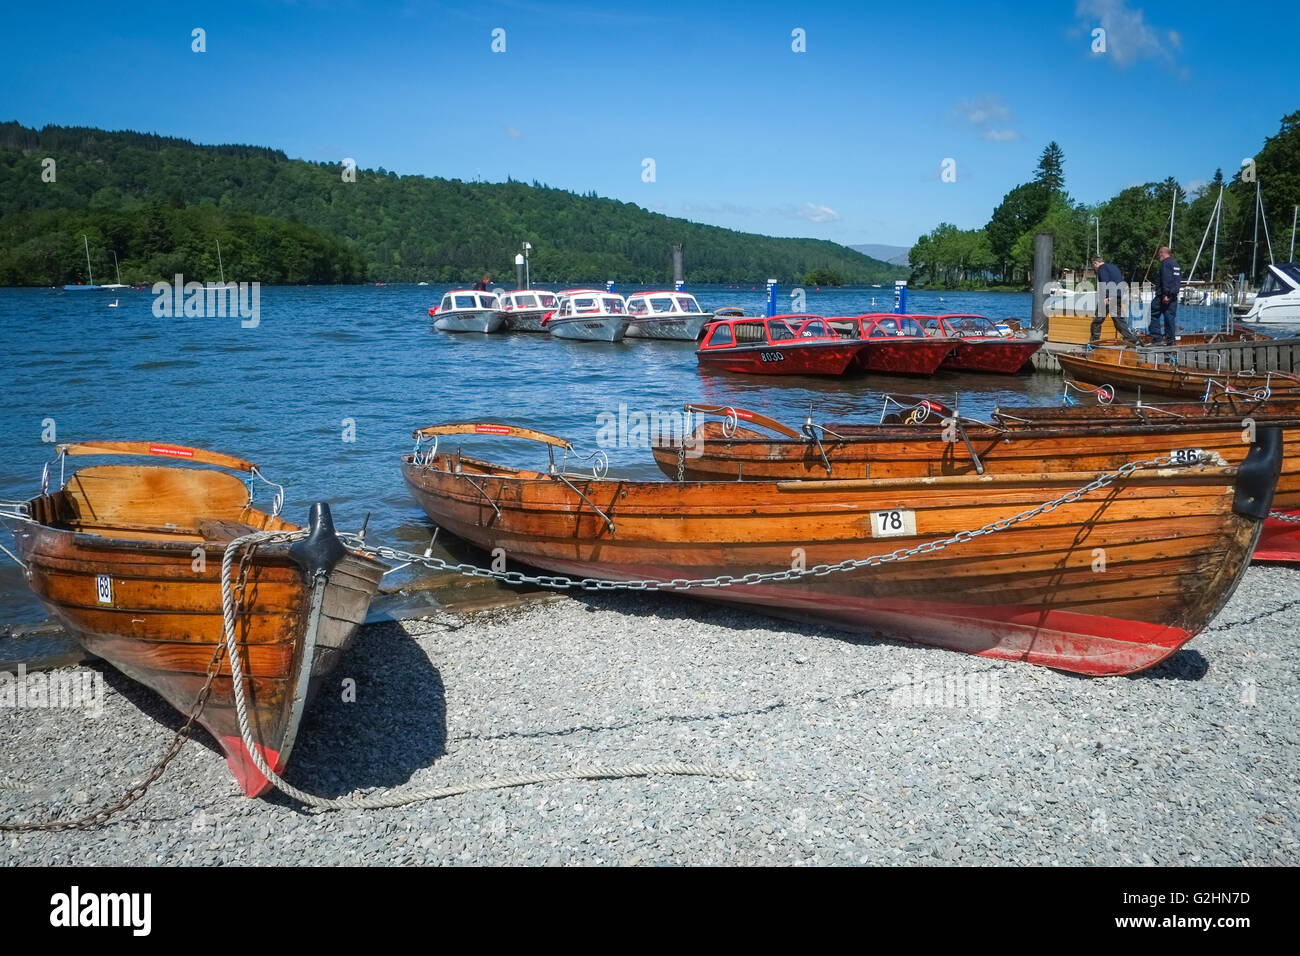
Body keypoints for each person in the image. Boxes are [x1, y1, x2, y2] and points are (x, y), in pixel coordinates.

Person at [1089, 255, 1139, 344]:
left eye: (1094, 266)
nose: (1094, 269)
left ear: (1095, 263)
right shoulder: (1114, 267)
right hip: (1118, 296)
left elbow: (1105, 282)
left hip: (1109, 297)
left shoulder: (1102, 269)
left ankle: (1094, 341)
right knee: (1119, 321)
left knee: (1097, 321)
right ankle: (1132, 339)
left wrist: (1106, 296)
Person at [1149, 247, 1181, 347]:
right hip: (1173, 296)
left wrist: (1166, 294)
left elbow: (1166, 279)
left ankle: (1157, 338)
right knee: (1170, 318)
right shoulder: (1175, 264)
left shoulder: (1165, 264)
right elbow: (1177, 281)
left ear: (1162, 253)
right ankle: (1171, 340)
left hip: (1163, 296)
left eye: (1159, 255)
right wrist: (1171, 294)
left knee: (1154, 314)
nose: (1159, 257)